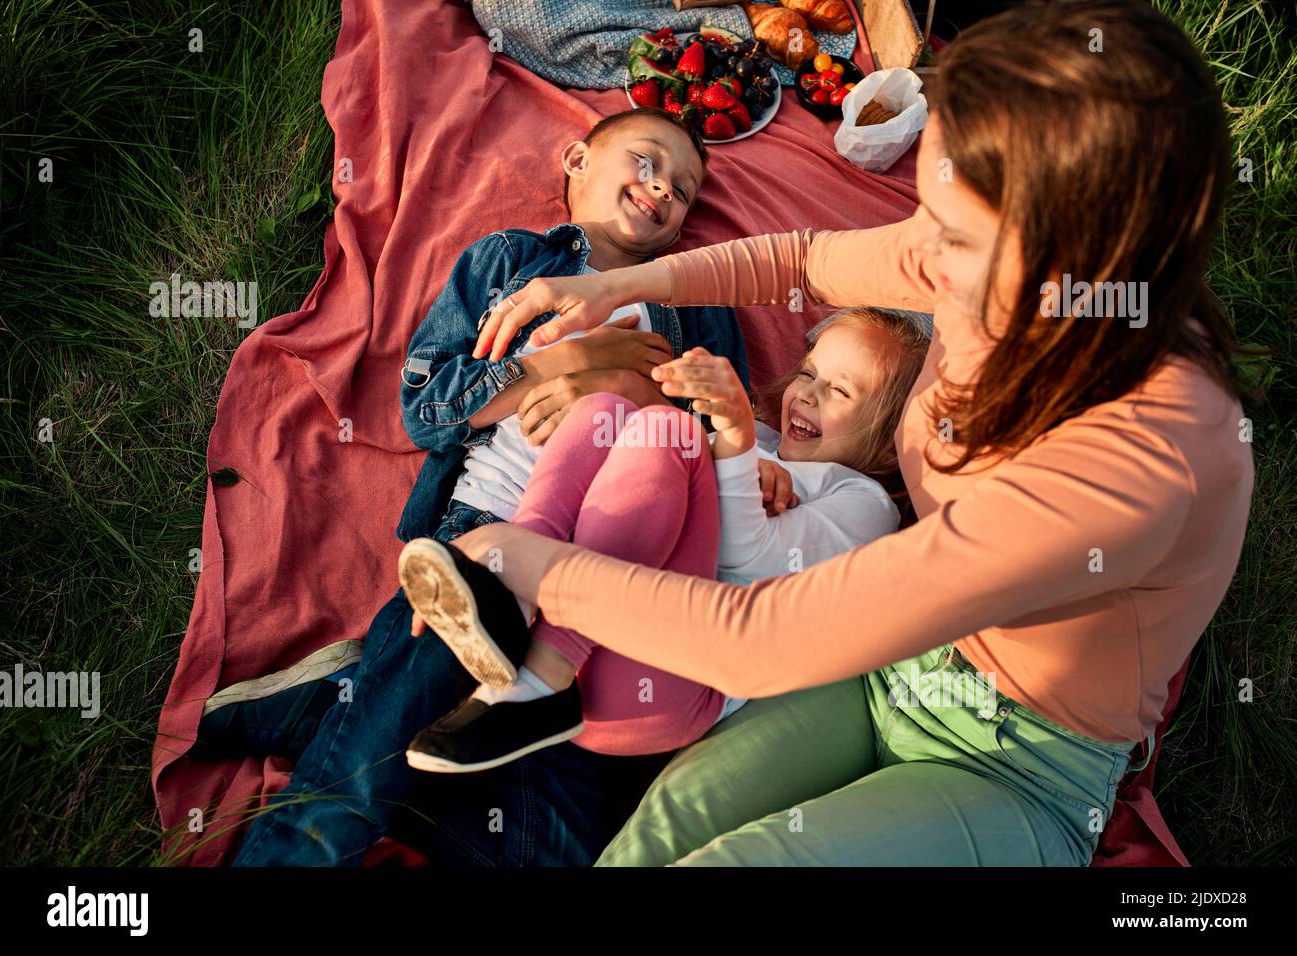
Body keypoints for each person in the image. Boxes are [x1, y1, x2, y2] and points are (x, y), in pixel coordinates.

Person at [454, 0, 1254, 865]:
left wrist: (529, 563)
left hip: (1017, 767)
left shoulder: (1138, 456)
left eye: (949, 231)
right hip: (887, 667)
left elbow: (758, 640)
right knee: (653, 841)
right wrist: (621, 286)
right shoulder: (994, 269)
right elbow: (800, 258)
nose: (921, 248)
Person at [203, 106, 751, 866]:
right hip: (485, 533)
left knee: (547, 839)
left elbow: (724, 440)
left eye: (687, 191)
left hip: (616, 552)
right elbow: (429, 409)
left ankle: (327, 704)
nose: (666, 191)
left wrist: (628, 380)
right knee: (364, 781)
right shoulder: (510, 262)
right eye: (650, 161)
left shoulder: (699, 306)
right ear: (576, 161)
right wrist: (568, 364)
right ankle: (328, 773)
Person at [398, 307, 925, 772]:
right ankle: (513, 600)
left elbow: (748, 562)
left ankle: (550, 658)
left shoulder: (863, 502)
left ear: (889, 447)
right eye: (809, 372)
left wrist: (735, 446)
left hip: (670, 686)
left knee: (668, 431)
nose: (808, 392)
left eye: (839, 391)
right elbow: (650, 484)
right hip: (602, 640)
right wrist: (741, 453)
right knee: (604, 411)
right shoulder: (767, 446)